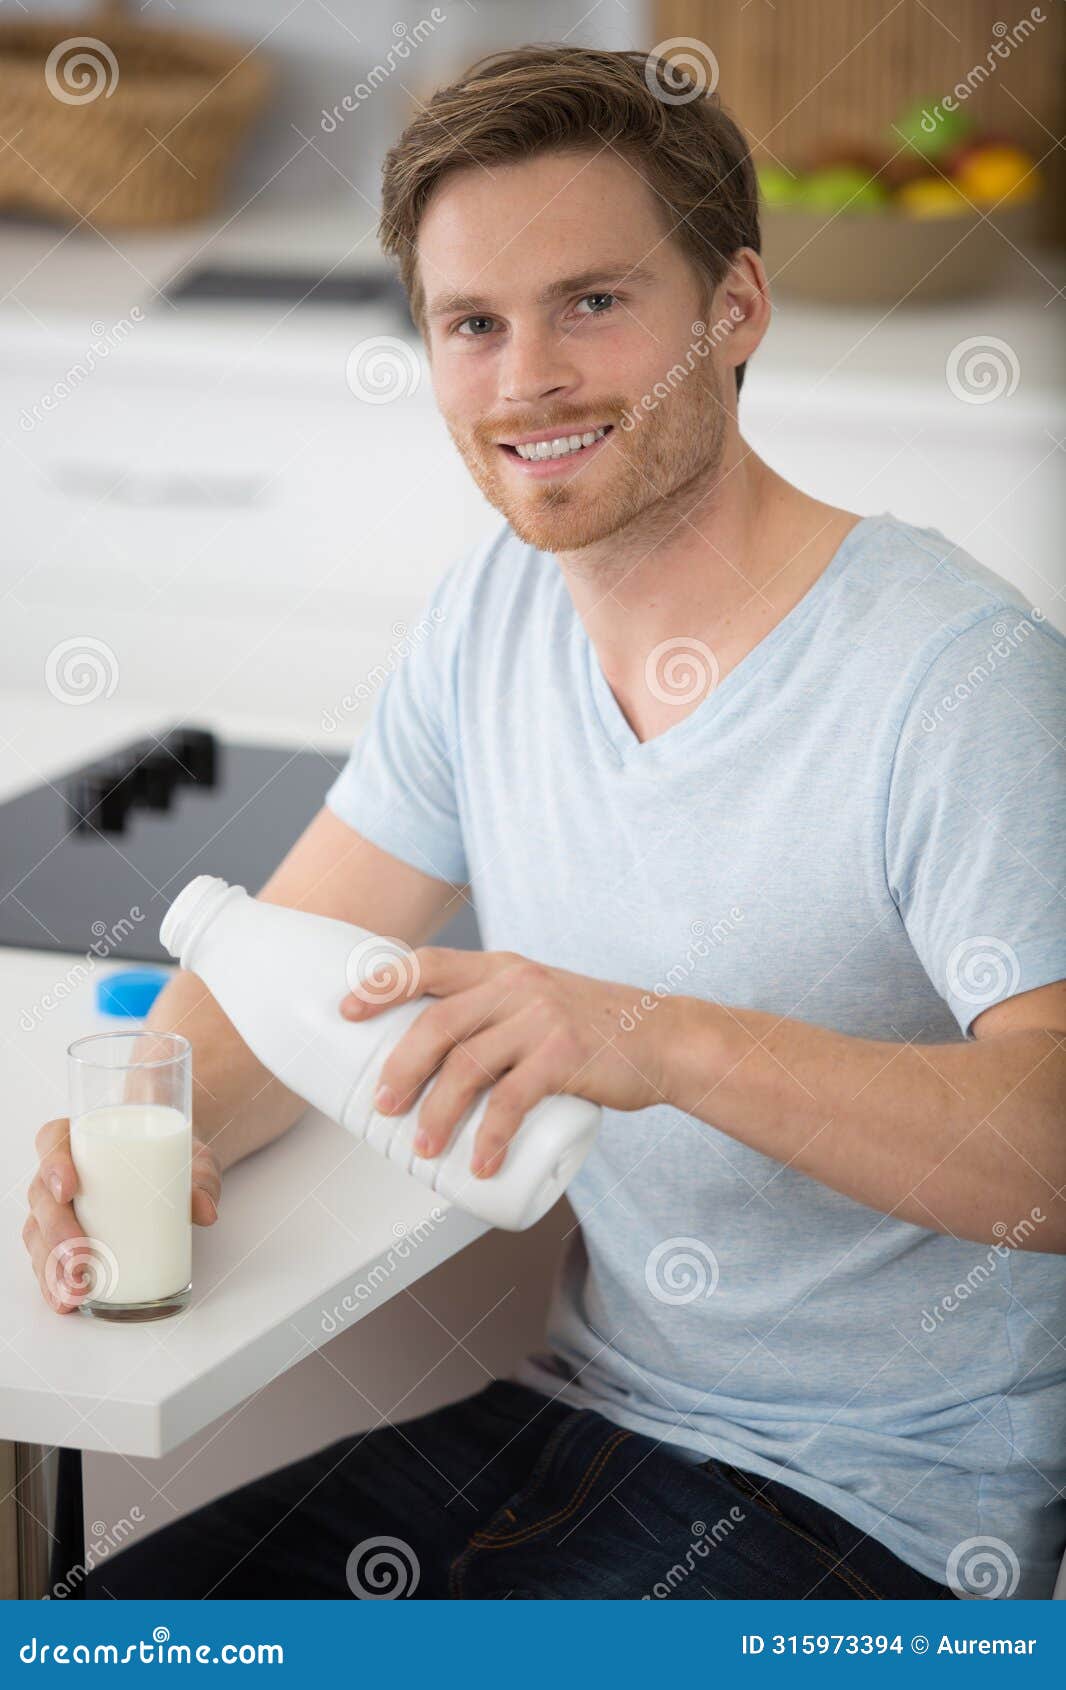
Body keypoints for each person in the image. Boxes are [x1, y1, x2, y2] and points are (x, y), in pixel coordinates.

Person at [24, 44, 1065, 1601]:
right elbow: (294, 952)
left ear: (734, 312)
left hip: (876, 1520)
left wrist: (659, 1038)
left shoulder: (952, 677)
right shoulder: (489, 623)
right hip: (581, 1425)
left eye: (592, 302)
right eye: (472, 325)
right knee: (95, 1635)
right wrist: (158, 1132)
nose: (526, 382)